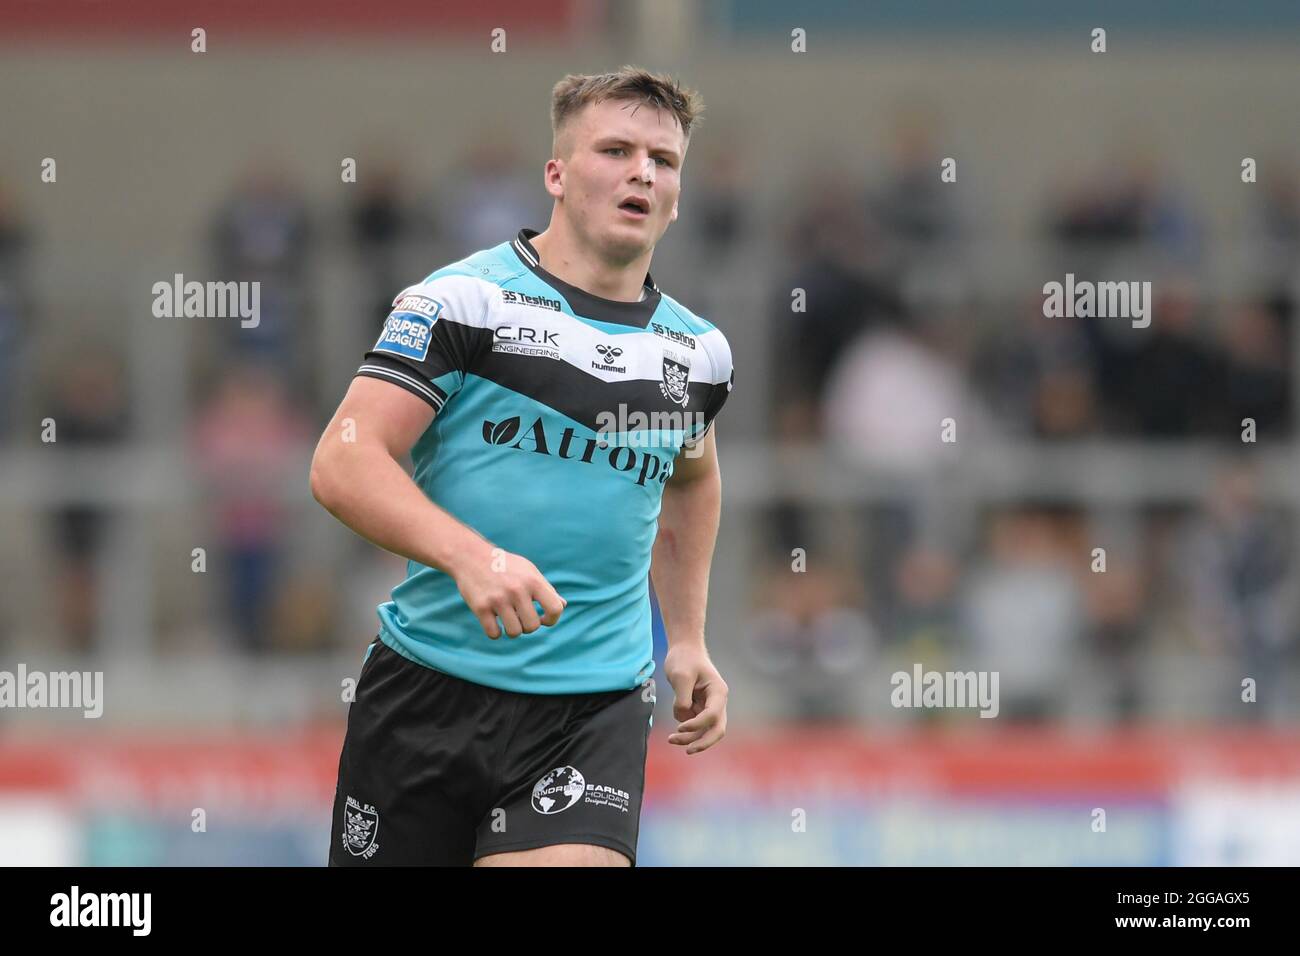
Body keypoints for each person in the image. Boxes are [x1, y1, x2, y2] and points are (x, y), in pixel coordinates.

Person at [311, 66, 735, 867]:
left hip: (592, 708)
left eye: (664, 160)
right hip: (426, 692)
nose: (642, 172)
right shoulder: (461, 302)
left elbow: (694, 478)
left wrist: (687, 638)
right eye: (614, 150)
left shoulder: (697, 353)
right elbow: (344, 461)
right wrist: (470, 557)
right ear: (557, 173)